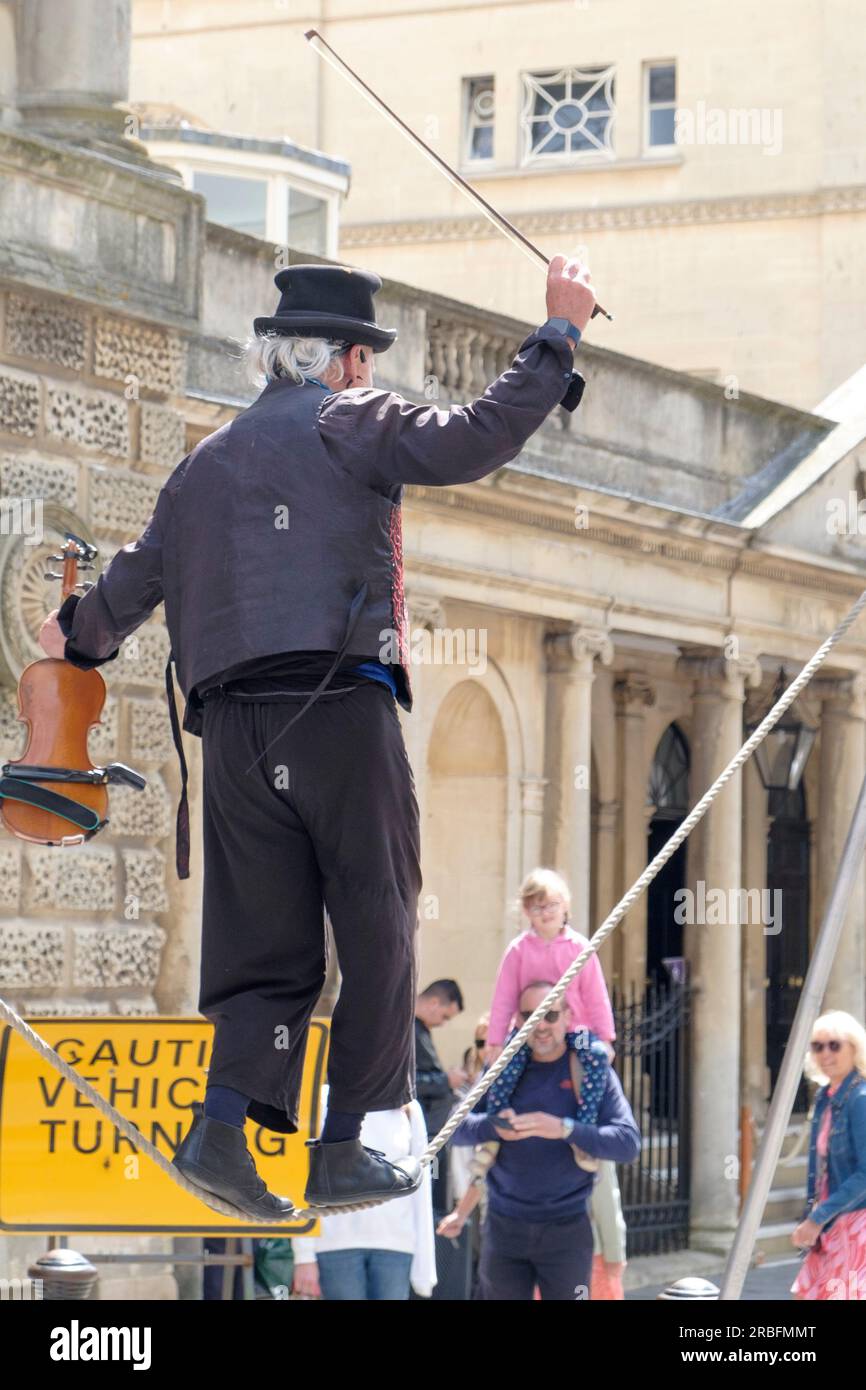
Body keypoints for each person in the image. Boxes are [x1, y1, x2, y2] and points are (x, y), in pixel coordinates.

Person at [37, 255, 596, 1219]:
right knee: (378, 914)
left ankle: (222, 1134)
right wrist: (558, 335)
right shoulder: (353, 422)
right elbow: (473, 438)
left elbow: (113, 602)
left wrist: (74, 630)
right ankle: (344, 1144)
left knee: (265, 944)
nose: (369, 374)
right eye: (364, 358)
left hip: (237, 732)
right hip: (336, 704)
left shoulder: (203, 463)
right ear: (342, 362)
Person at [450, 982, 640, 1300]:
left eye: (550, 1015)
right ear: (518, 1020)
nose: (540, 1026)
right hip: (504, 1226)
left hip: (567, 1228)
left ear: (567, 1016)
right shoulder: (503, 1066)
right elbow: (456, 1129)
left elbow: (627, 1143)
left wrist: (565, 1128)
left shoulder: (591, 1068)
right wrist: (495, 1126)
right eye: (530, 1015)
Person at [290, 1085, 436, 1300]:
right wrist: (304, 1256)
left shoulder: (408, 1107)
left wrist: (425, 1270)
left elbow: (421, 1190)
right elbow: (301, 1176)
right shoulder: (321, 1098)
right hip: (334, 1242)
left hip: (396, 1243)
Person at [485, 869, 616, 1068]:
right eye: (538, 908)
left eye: (552, 905)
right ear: (527, 911)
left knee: (596, 1057)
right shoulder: (518, 950)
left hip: (575, 1028)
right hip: (528, 1031)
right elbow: (504, 999)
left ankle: (589, 1101)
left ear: (565, 906)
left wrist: (606, 1037)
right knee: (502, 1070)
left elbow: (596, 995)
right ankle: (499, 1101)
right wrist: (495, 1041)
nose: (546, 913)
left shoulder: (580, 947)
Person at [791, 1010, 866, 1300]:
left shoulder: (859, 1100)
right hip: (832, 1222)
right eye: (818, 1046)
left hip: (855, 1222)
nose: (826, 1054)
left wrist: (817, 1217)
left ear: (855, 1048)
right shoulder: (826, 1097)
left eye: (835, 1045)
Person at [415, 979, 466, 1213]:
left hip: (432, 1132)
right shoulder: (408, 1029)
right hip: (423, 1135)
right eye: (445, 1017)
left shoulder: (418, 1029)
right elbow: (407, 1083)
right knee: (427, 1205)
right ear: (434, 1003)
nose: (443, 1024)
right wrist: (446, 1081)